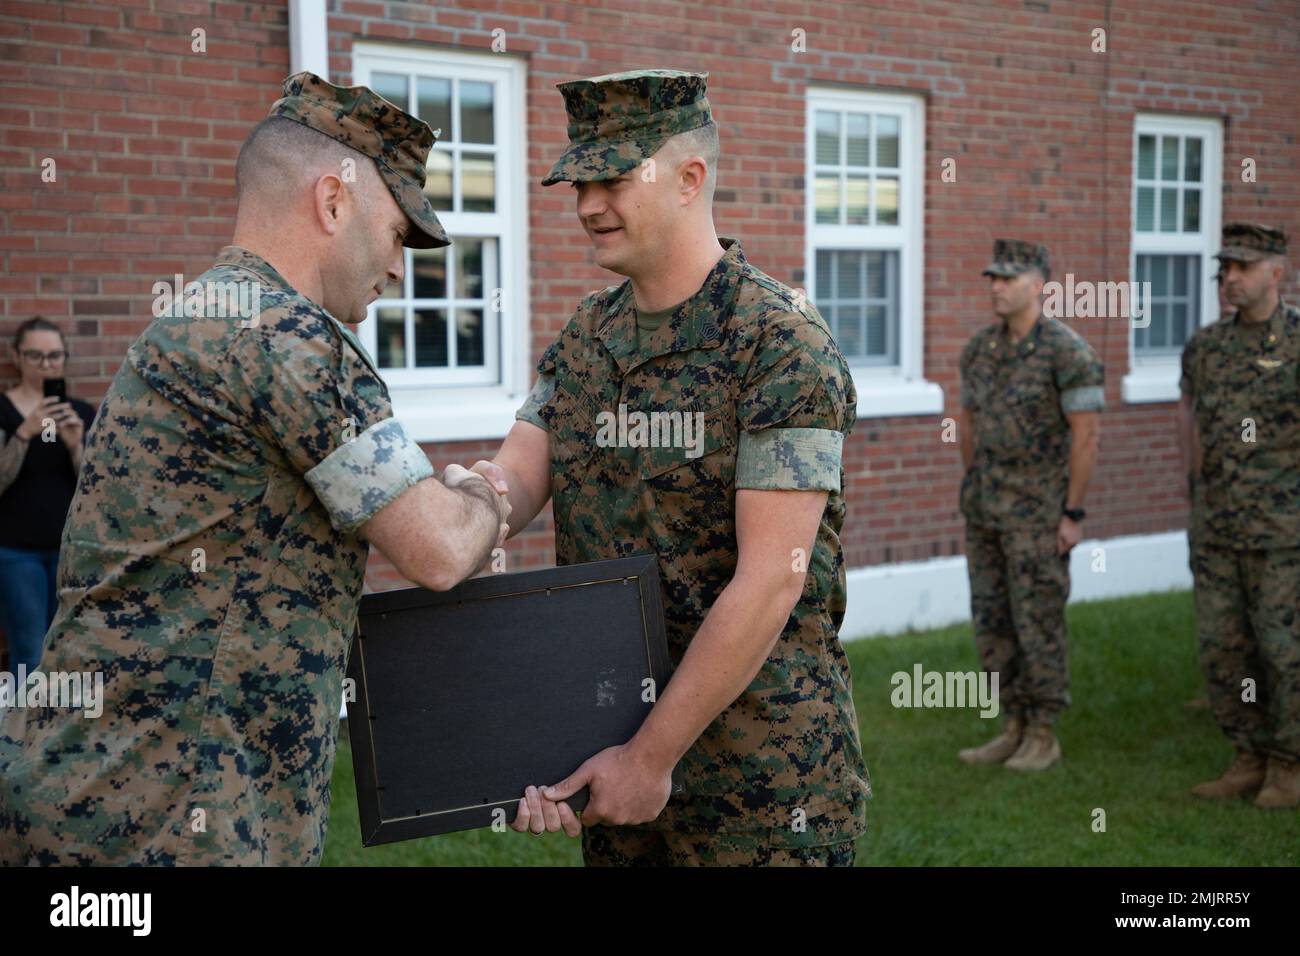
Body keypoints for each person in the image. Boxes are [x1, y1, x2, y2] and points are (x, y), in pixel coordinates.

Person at [0, 72, 510, 865]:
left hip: (102, 799)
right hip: (175, 819)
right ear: (333, 203)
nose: (401, 267)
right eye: (398, 234)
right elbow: (438, 549)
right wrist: (479, 492)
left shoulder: (199, 315)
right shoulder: (286, 336)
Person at [475, 70, 870, 866]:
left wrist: (652, 758)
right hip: (612, 753)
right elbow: (518, 472)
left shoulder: (777, 341)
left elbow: (772, 579)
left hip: (761, 784)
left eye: (614, 179)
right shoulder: (589, 333)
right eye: (580, 181)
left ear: (690, 178)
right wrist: (461, 504)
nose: (588, 205)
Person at [956, 239, 1102, 771]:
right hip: (986, 511)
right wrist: (978, 482)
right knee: (993, 622)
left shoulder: (1068, 353)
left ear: (1039, 286)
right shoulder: (979, 349)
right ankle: (1012, 723)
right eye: (992, 278)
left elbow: (1086, 439)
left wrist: (1073, 514)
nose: (996, 287)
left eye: (1008, 279)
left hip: (1040, 518)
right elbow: (967, 424)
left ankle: (1043, 730)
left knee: (1037, 621)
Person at [1180, 222, 1300, 809]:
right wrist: (1194, 496)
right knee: (1224, 647)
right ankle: (1247, 755)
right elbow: (1192, 421)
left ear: (1276, 272)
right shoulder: (1207, 346)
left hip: (1284, 534)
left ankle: (1288, 764)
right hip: (1218, 527)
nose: (1229, 277)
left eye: (1243, 267)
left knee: (1284, 649)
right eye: (1224, 267)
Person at [0, 317, 95, 677]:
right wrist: (23, 433)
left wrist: (75, 447)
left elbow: (96, 489)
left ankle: (57, 728)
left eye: (55, 356)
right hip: (15, 552)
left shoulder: (81, 413)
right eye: (36, 356)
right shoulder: (4, 412)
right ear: (17, 357)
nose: (46, 365)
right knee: (28, 650)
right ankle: (22, 733)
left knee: (69, 649)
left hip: (70, 550)